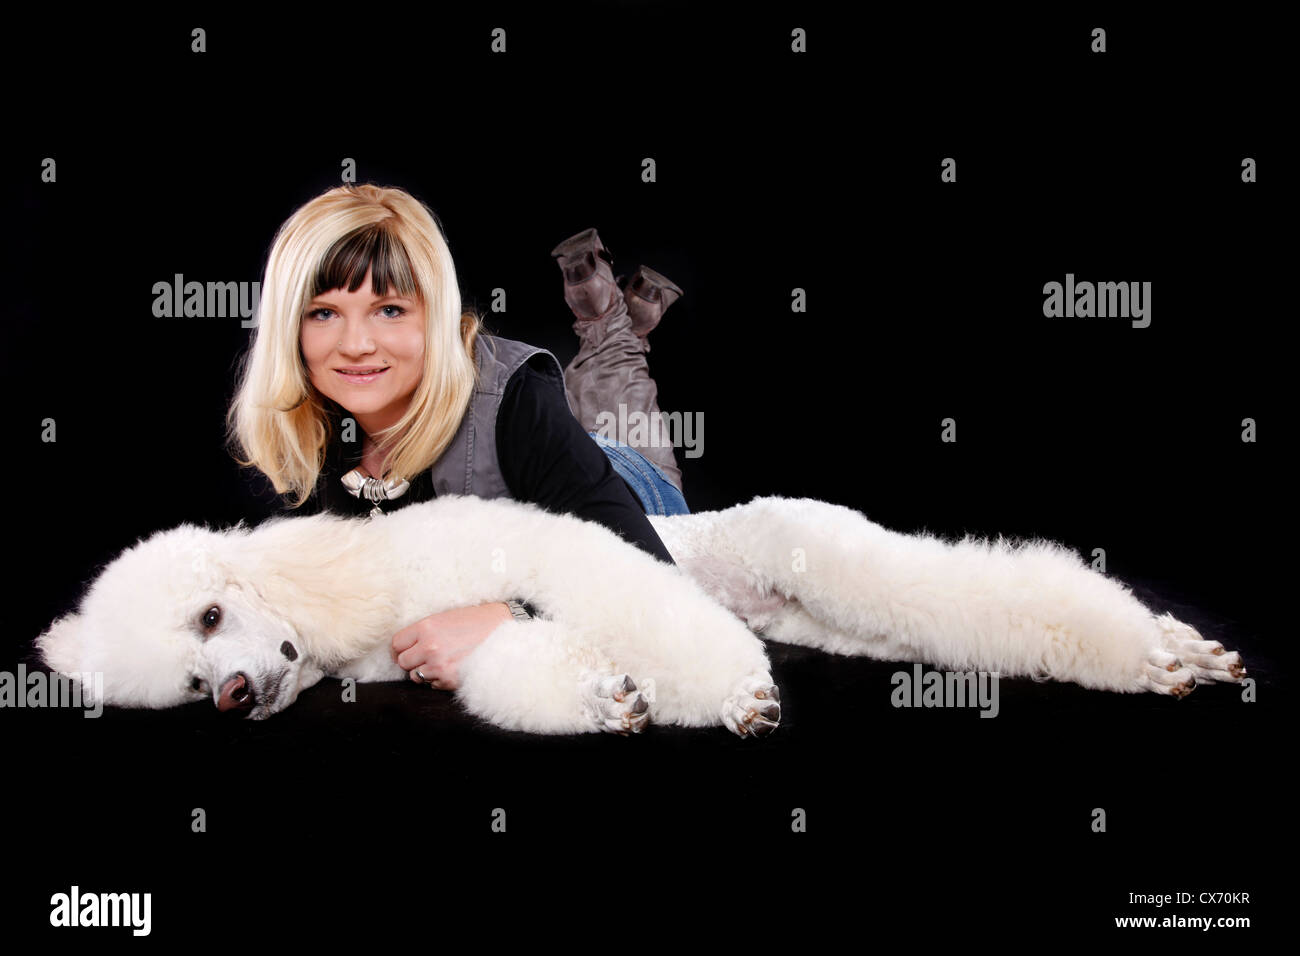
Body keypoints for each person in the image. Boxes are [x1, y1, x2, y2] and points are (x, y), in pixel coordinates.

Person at [226, 184, 688, 693]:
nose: (355, 345)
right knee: (595, 392)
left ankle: (611, 326)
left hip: (632, 483)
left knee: (621, 402)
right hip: (557, 455)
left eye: (390, 310)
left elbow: (648, 573)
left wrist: (513, 617)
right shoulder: (311, 425)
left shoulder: (515, 398)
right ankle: (618, 327)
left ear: (434, 314)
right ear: (290, 328)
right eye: (324, 313)